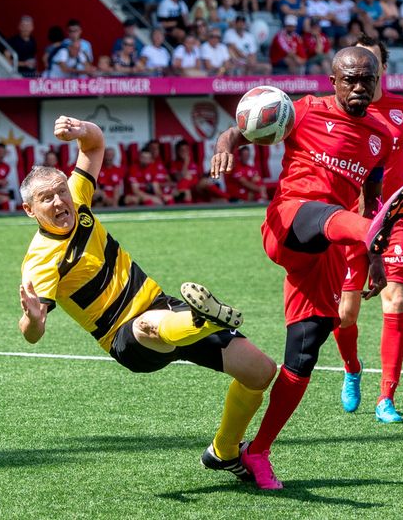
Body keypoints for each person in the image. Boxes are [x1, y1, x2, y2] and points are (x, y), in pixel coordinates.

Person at [18, 116, 276, 482]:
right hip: (126, 336)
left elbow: (94, 145)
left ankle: (223, 450)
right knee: (148, 325)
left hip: (164, 305)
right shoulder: (40, 262)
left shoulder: (78, 198)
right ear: (30, 210)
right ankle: (201, 319)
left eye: (62, 191)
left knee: (260, 372)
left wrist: (80, 129)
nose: (61, 201)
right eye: (47, 198)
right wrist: (33, 318)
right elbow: (32, 334)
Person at [207, 47, 403, 490]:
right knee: (327, 213)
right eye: (350, 80)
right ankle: (368, 232)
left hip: (330, 249)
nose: (359, 87)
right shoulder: (302, 110)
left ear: (377, 80)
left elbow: (371, 196)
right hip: (289, 221)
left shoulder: (380, 135)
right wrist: (224, 147)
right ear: (333, 81)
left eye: (367, 80)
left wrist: (375, 259)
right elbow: (238, 132)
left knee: (303, 355)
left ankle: (257, 451)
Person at [334, 35, 403, 424]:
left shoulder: (402, 109)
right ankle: (352, 368)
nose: (363, 70)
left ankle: (386, 398)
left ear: (383, 69)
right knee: (345, 314)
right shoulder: (337, 111)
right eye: (357, 63)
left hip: (391, 220)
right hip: (347, 221)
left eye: (371, 63)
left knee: (395, 301)